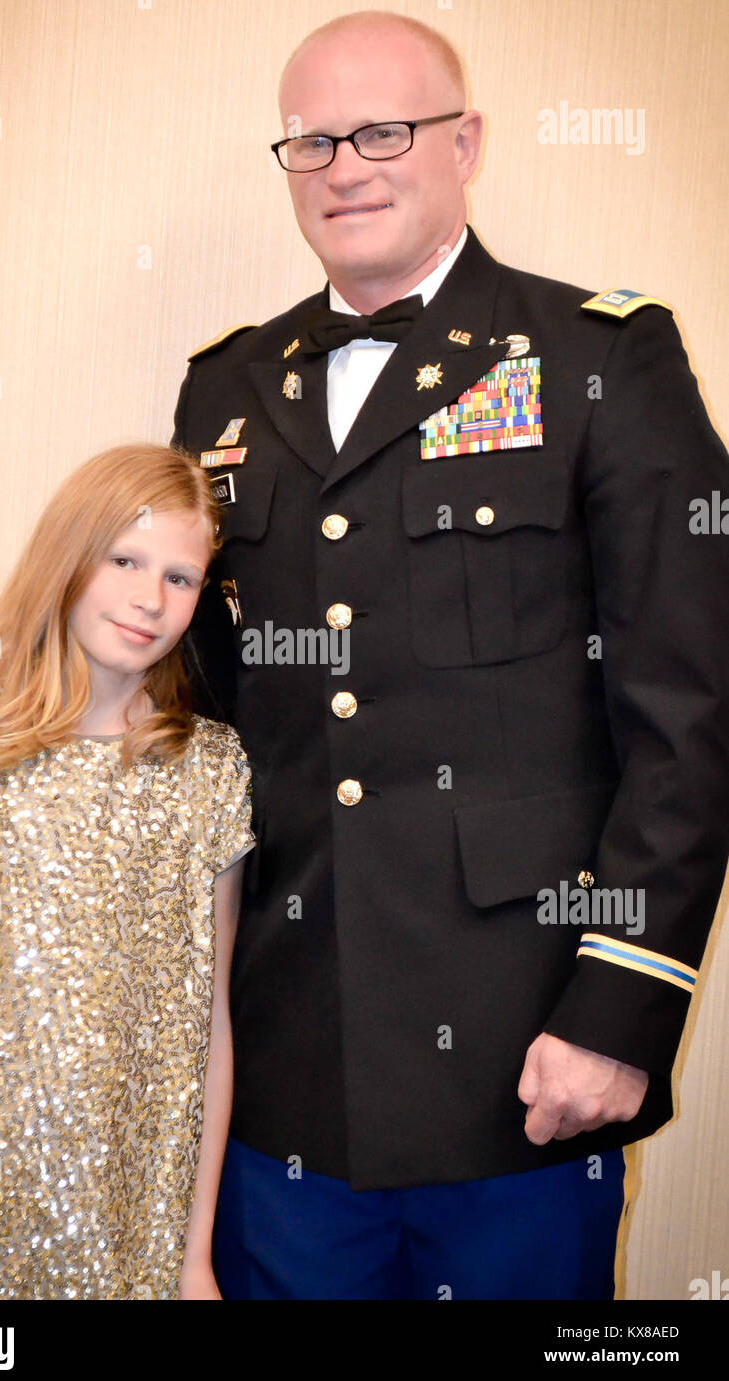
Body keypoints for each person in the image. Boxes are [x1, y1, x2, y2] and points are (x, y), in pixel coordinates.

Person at [167, 12, 729, 1299]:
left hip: (523, 1055)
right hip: (283, 1057)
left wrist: (618, 1011)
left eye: (382, 131)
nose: (344, 167)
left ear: (463, 143)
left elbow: (688, 717)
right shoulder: (227, 386)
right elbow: (186, 696)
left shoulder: (597, 355)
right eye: (311, 140)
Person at [0, 443, 254, 1300]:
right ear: (68, 558)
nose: (150, 599)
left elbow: (211, 1027)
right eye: (125, 560)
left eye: (181, 578)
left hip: (141, 1227)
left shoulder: (212, 770)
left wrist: (194, 1259)